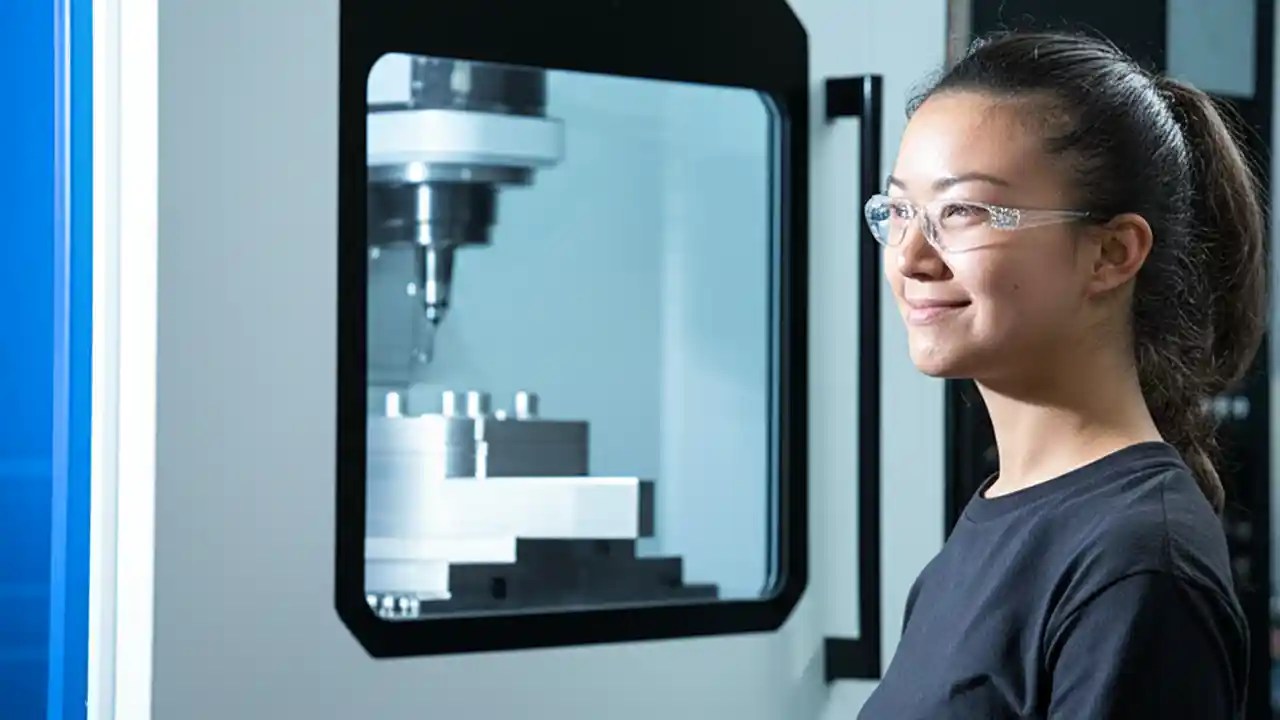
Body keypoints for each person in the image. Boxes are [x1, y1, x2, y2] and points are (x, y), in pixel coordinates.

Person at [857, 30, 1264, 719]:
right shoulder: (995, 519)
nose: (909, 257)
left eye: (963, 211)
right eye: (898, 211)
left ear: (1111, 252)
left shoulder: (1137, 567)